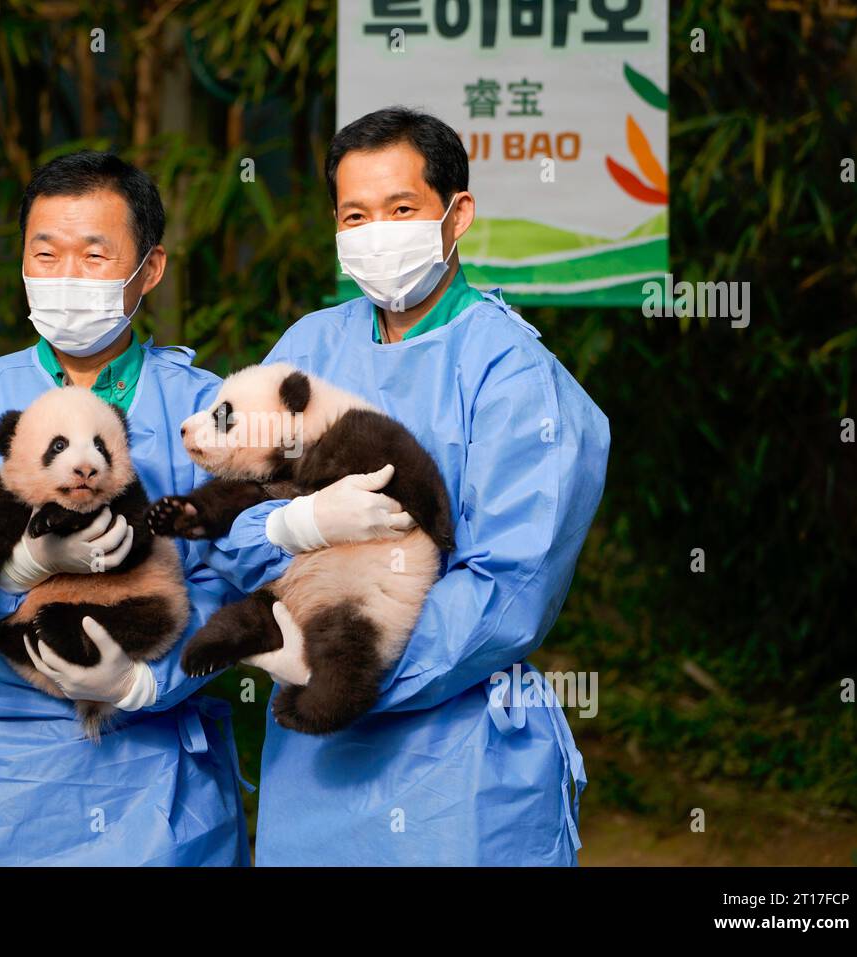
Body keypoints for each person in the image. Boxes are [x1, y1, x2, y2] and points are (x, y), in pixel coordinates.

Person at [208, 107, 610, 865]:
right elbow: (231, 524)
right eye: (356, 214)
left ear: (456, 214)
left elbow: (506, 591)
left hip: (453, 767)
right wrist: (288, 530)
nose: (377, 231)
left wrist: (337, 672)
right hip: (312, 776)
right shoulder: (306, 348)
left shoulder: (512, 375)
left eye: (401, 210)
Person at [0, 151, 248, 866]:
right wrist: (16, 566)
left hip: (164, 781)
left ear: (150, 269)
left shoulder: (212, 410)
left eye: (93, 254)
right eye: (44, 254)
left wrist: (147, 680)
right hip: (1, 786)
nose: (66, 277)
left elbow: (250, 578)